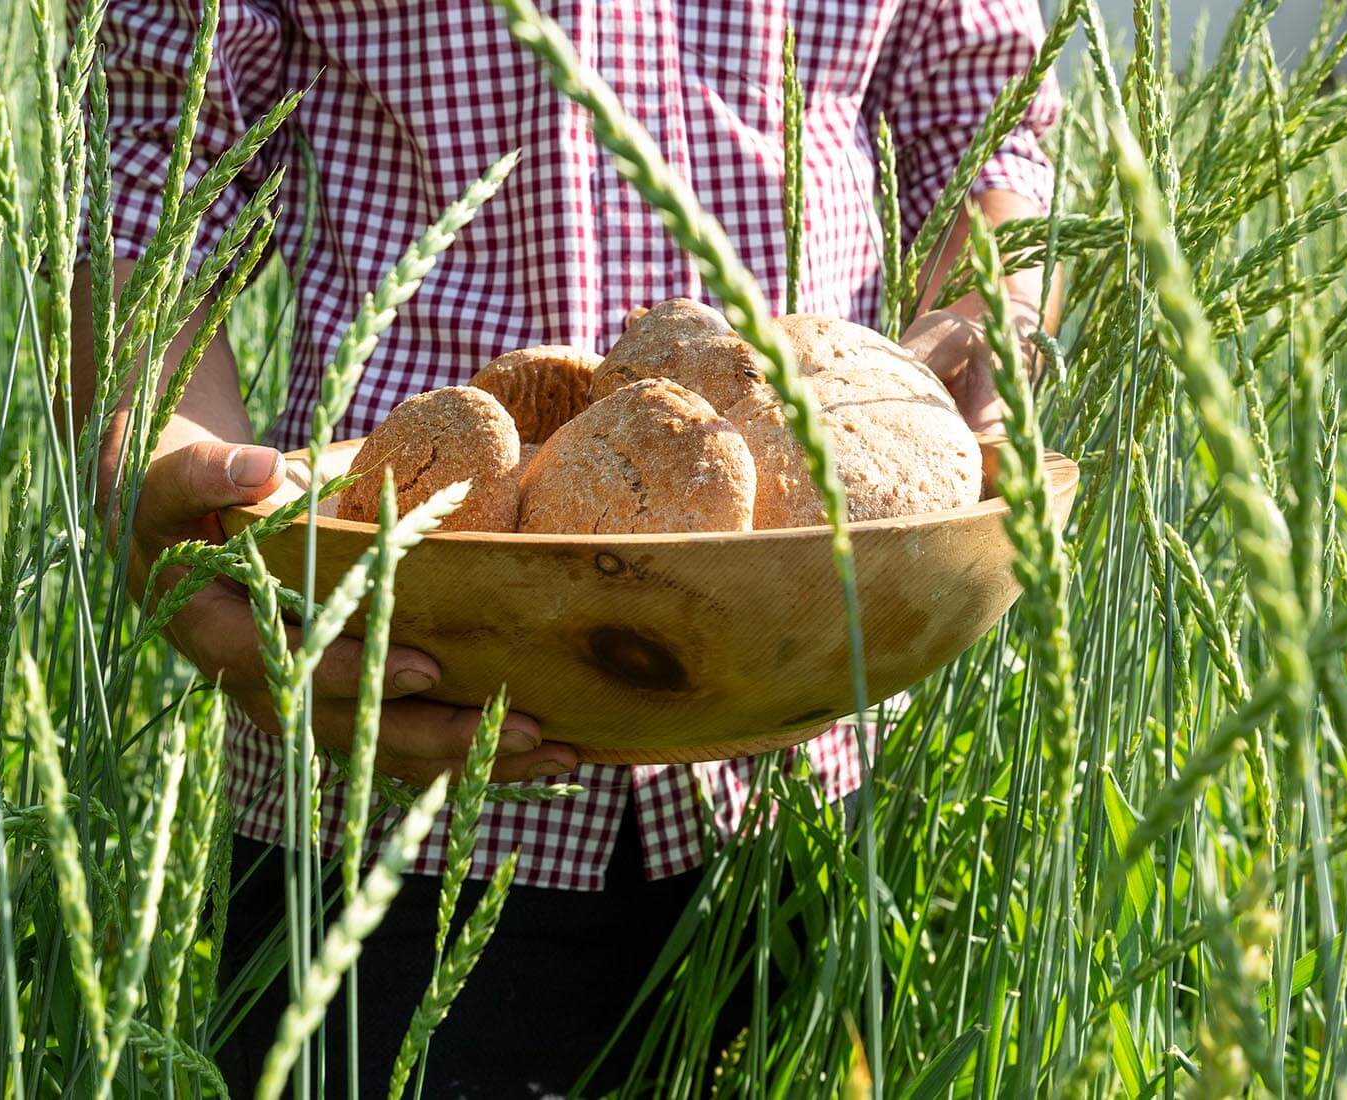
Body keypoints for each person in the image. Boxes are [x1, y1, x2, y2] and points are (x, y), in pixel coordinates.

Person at [77, 1, 1056, 1094]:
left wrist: (986, 324)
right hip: (394, 756)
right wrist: (160, 453)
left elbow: (987, 115)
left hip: (816, 760)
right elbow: (155, 155)